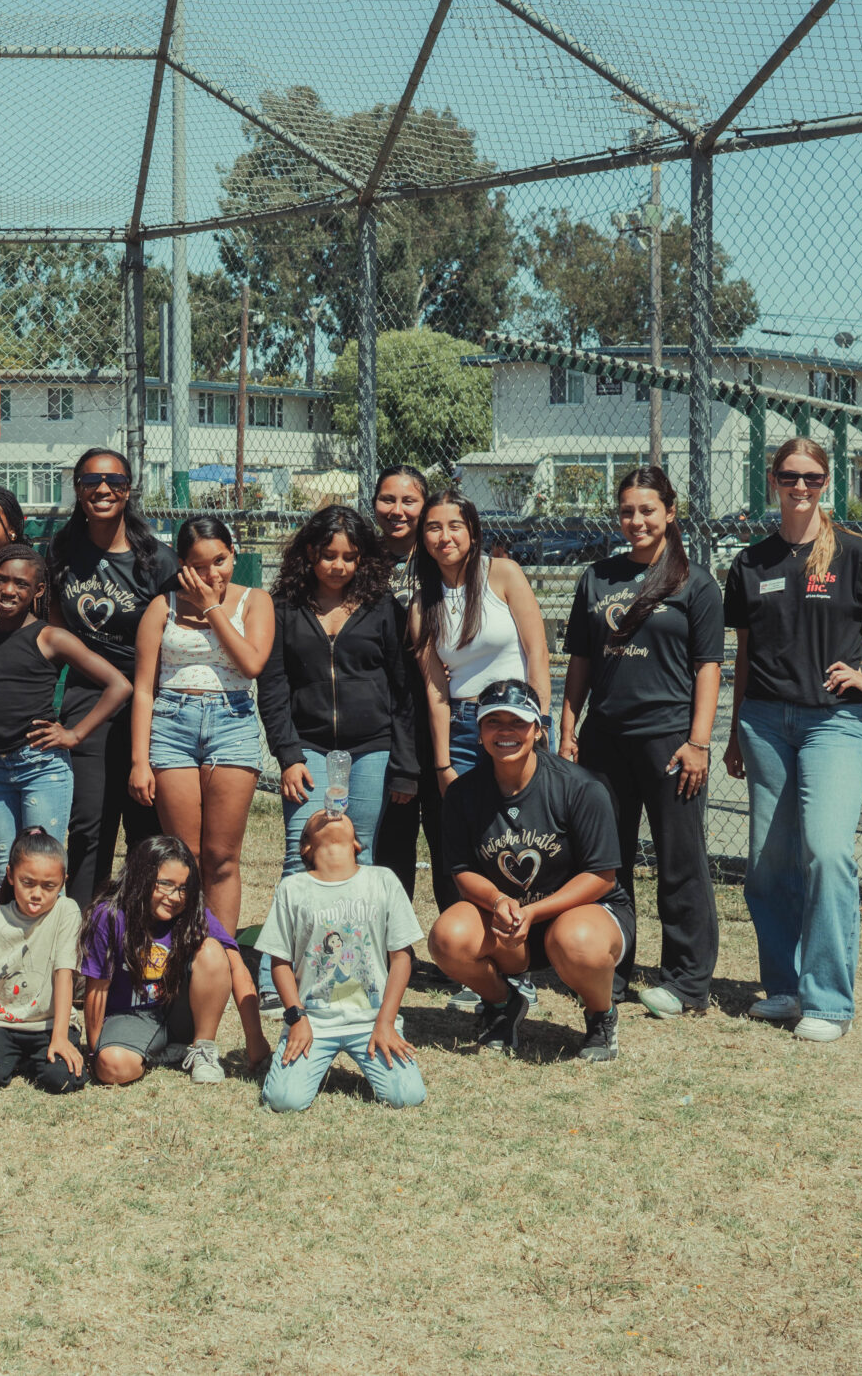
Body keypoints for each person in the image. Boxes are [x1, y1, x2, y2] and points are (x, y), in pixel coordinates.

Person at [724, 437, 862, 1043]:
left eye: (813, 478)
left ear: (826, 484)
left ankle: (830, 1002)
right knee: (768, 863)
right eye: (790, 476)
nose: (801, 486)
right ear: (773, 481)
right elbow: (743, 653)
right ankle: (785, 988)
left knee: (828, 852)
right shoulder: (751, 562)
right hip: (764, 723)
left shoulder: (854, 555)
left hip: (833, 724)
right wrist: (736, 734)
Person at [558, 466, 723, 1019]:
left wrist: (698, 741)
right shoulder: (597, 577)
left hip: (670, 743)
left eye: (647, 510)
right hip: (604, 739)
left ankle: (687, 981)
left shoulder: (694, 582)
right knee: (607, 862)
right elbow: (579, 659)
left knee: (681, 861)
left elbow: (708, 667)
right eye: (627, 511)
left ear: (670, 512)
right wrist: (567, 727)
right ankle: (613, 967)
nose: (636, 521)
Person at [429, 680, 627, 1063]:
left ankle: (601, 1015)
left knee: (578, 941)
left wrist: (534, 912)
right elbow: (462, 870)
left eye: (517, 722)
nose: (505, 732)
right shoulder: (462, 793)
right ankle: (503, 1003)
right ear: (480, 730)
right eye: (493, 721)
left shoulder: (579, 787)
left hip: (576, 915)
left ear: (538, 729)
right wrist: (500, 900)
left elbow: (602, 876)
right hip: (507, 922)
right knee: (448, 937)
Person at [257, 505, 423, 906]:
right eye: (329, 555)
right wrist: (288, 754)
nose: (339, 566)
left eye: (350, 557)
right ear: (310, 552)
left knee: (359, 851)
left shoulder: (383, 607)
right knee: (302, 852)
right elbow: (274, 685)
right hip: (308, 749)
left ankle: (352, 961)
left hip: (372, 749)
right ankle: (279, 967)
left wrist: (404, 766)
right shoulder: (283, 608)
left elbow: (403, 692)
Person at [128, 516, 272, 938]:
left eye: (221, 560)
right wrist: (140, 760)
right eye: (199, 566)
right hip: (172, 727)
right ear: (182, 566)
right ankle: (182, 948)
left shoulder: (255, 601)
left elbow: (251, 663)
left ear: (234, 554)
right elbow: (142, 689)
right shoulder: (163, 606)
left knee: (222, 856)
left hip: (233, 723)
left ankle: (221, 952)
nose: (213, 574)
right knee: (185, 855)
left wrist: (211, 607)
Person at [48, 448, 179, 903]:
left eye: (115, 482)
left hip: (150, 698)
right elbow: (54, 624)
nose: (103, 490)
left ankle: (143, 933)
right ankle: (85, 936)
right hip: (89, 696)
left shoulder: (157, 560)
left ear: (129, 489)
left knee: (145, 820)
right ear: (77, 489)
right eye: (91, 481)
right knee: (89, 822)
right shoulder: (62, 550)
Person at [0, 545, 130, 894]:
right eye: (0, 580)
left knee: (40, 871)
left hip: (39, 767)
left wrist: (75, 735)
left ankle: (50, 947)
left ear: (38, 591)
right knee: (4, 871)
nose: (8, 590)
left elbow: (119, 685)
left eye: (20, 583)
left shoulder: (49, 637)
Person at [256, 809, 425, 1113]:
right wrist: (297, 1018)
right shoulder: (293, 889)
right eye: (319, 815)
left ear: (356, 845)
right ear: (306, 847)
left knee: (406, 1096)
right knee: (285, 1101)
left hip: (372, 1020)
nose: (330, 813)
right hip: (313, 1022)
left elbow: (401, 958)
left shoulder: (383, 880)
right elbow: (279, 961)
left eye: (337, 814)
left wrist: (386, 1022)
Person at [79, 833, 268, 1085]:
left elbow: (238, 969)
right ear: (141, 877)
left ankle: (202, 1049)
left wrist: (255, 1039)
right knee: (113, 1068)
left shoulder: (195, 914)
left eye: (183, 888)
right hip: (130, 1015)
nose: (175, 896)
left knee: (212, 950)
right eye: (165, 884)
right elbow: (97, 989)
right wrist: (95, 1050)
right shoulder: (110, 916)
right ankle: (164, 1054)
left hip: (181, 1010)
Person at [417, 490, 552, 790]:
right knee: (473, 829)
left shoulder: (503, 574)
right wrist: (443, 764)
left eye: (455, 526)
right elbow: (435, 688)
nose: (444, 536)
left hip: (519, 716)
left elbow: (537, 653)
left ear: (473, 533)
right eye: (433, 527)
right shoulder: (420, 605)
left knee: (532, 822)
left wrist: (540, 722)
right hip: (464, 726)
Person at [365, 467, 450, 911]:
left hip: (439, 708)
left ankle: (462, 949)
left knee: (447, 831)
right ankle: (390, 944)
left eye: (409, 501)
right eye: (387, 499)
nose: (397, 510)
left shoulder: (442, 556)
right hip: (383, 713)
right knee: (392, 834)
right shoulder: (360, 559)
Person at [0, 827, 86, 1094]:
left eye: (49, 886)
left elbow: (64, 974)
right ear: (11, 876)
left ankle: (27, 1058)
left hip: (50, 1023)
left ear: (63, 881)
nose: (37, 894)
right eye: (28, 883)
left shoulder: (66, 910)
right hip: (3, 1023)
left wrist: (59, 1036)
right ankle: (14, 1057)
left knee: (63, 1079)